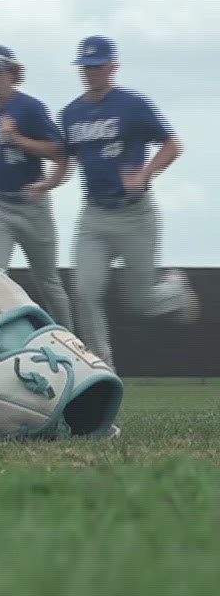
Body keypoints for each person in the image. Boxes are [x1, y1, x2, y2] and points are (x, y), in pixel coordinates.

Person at [59, 35, 199, 366]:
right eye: (85, 67)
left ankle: (174, 291)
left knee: (140, 302)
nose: (90, 72)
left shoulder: (132, 105)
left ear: (112, 66)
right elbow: (66, 158)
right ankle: (100, 364)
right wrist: (46, 181)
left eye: (97, 66)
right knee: (84, 292)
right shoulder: (71, 114)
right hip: (93, 215)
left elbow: (172, 145)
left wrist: (145, 174)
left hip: (135, 216)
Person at [0, 44, 73, 328]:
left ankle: (71, 341)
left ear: (12, 73)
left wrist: (18, 138)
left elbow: (58, 150)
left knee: (48, 281)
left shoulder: (30, 108)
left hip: (32, 205)